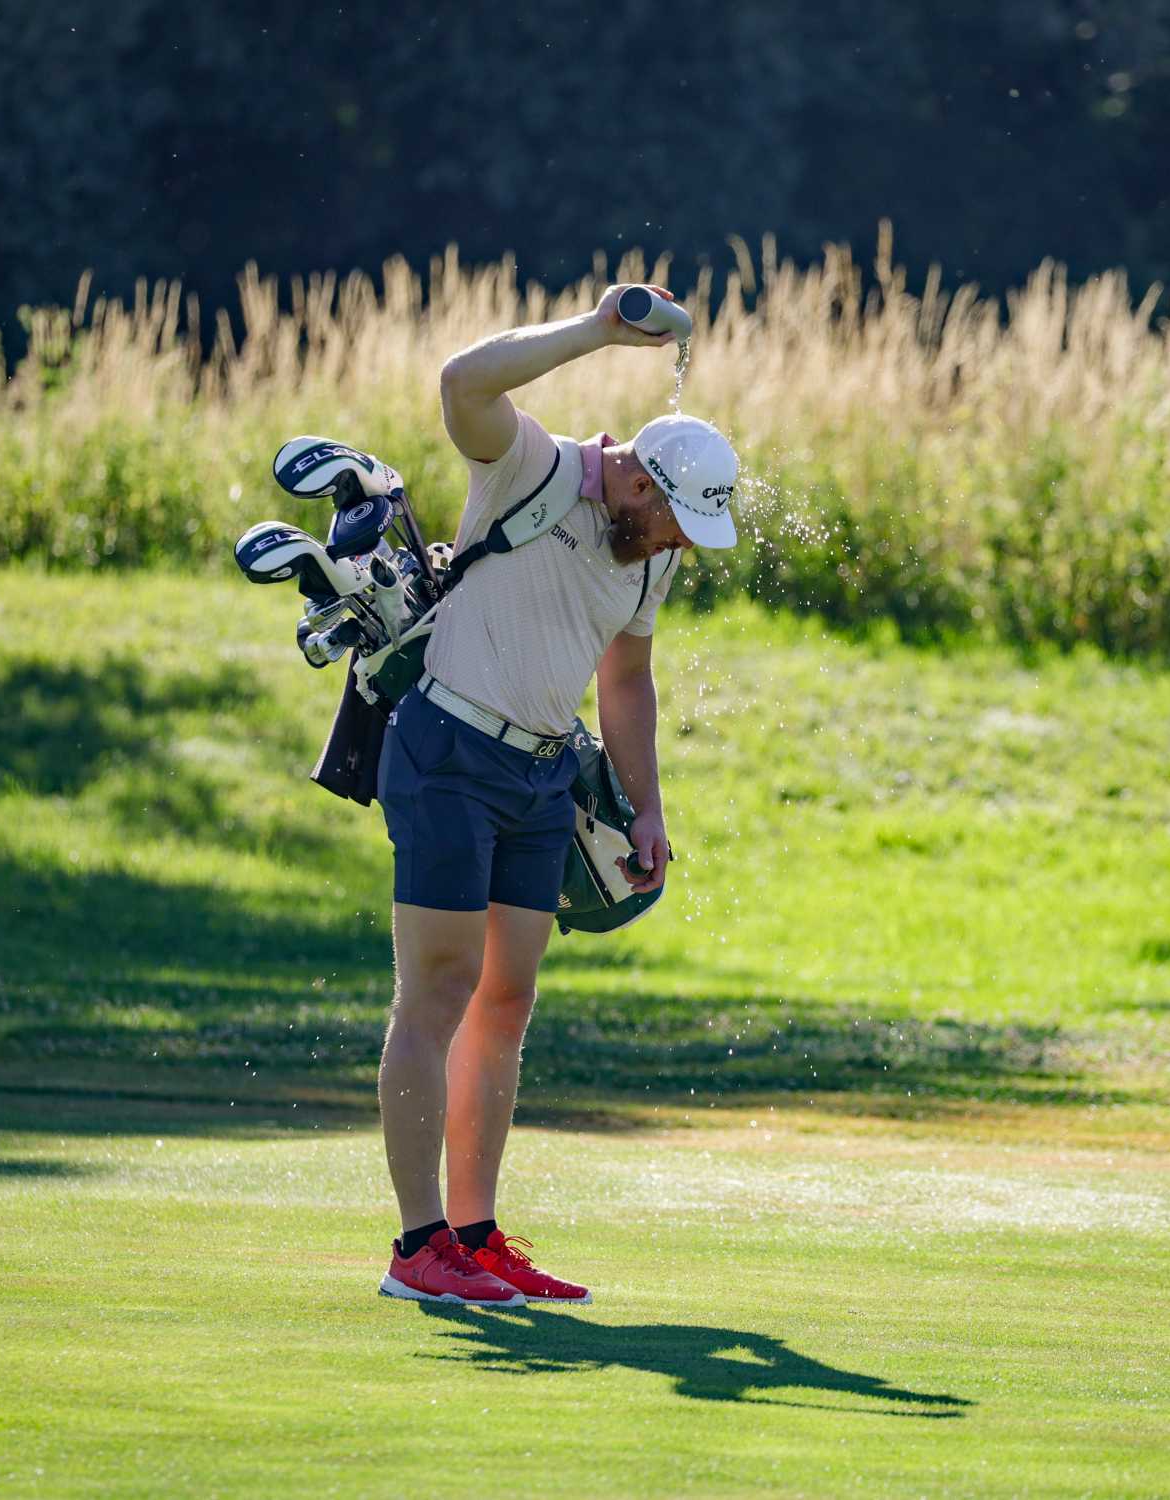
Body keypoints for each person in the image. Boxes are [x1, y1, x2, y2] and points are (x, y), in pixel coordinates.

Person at [374, 285, 740, 1307]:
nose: (674, 543)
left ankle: (475, 1235)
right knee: (438, 991)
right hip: (448, 751)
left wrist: (647, 806)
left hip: (542, 776)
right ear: (635, 478)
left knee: (506, 1000)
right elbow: (462, 383)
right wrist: (598, 332)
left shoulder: (650, 559)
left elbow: (626, 682)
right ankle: (417, 1249)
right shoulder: (531, 466)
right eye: (669, 520)